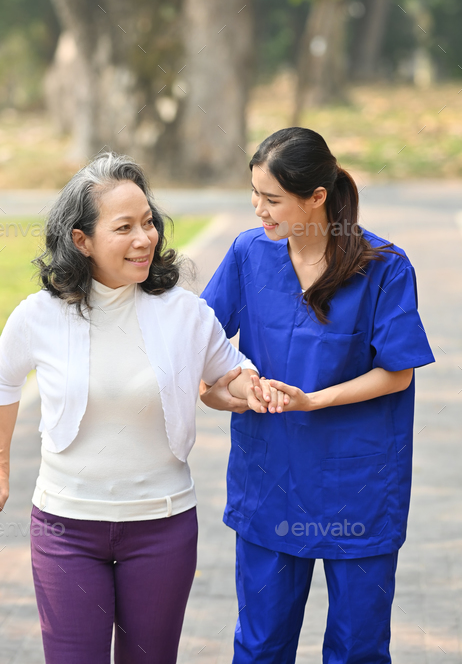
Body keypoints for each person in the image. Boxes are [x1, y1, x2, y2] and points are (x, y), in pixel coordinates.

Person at [0, 152, 263, 664]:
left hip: (164, 526)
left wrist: (256, 388)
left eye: (148, 222)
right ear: (81, 240)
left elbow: (229, 374)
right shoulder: (39, 316)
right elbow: (3, 380)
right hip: (66, 527)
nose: (145, 238)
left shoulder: (185, 313)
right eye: (124, 227)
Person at [200, 127, 435, 664]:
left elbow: (397, 374)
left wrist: (312, 400)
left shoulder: (384, 265)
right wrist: (230, 391)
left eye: (272, 199)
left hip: (358, 490)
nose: (258, 209)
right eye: (254, 194)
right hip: (271, 484)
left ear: (317, 198)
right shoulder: (248, 254)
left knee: (358, 649)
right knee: (261, 646)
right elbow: (199, 346)